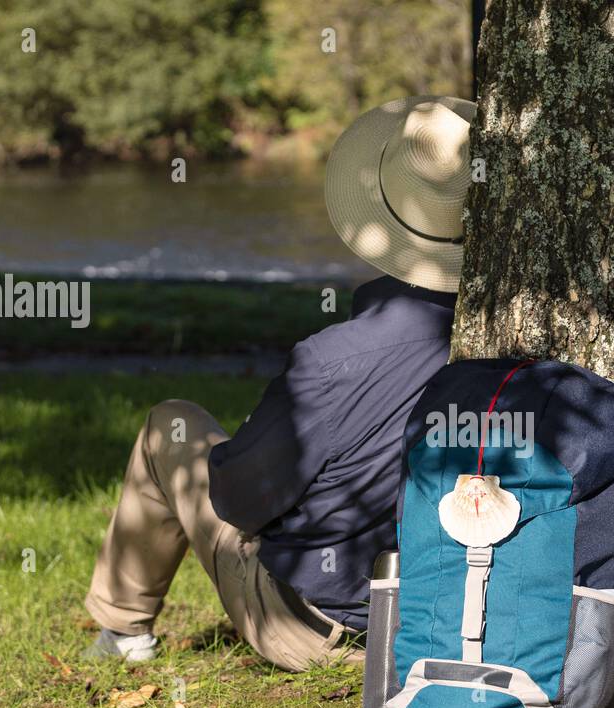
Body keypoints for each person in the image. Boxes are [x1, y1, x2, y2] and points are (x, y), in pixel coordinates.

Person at [82, 96, 476, 668]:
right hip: (457, 628)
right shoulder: (530, 338)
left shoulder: (335, 358)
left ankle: (122, 633)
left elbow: (239, 502)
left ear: (384, 220)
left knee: (171, 422)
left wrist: (249, 447)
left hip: (319, 635)